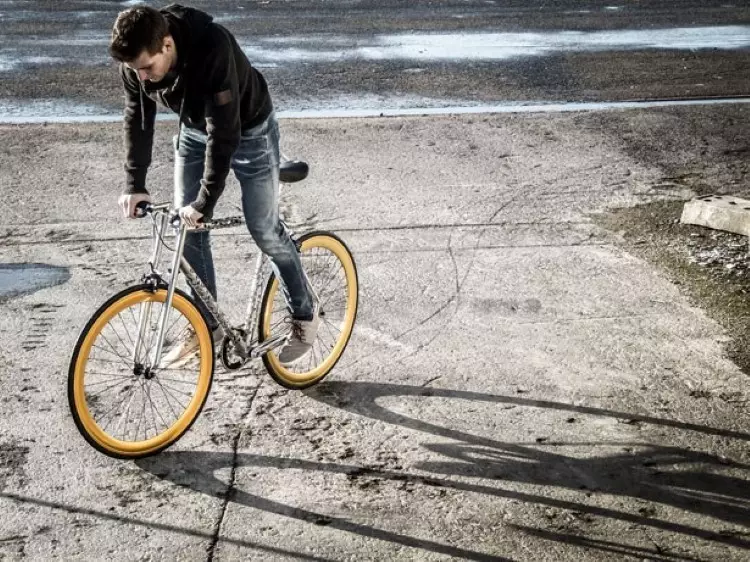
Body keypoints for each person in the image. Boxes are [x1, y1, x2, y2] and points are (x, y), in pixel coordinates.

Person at [109, 4, 319, 365]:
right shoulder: (137, 63)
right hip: (193, 132)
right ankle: (208, 327)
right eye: (133, 70)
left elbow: (224, 134)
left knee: (264, 230)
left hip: (249, 129)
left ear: (167, 45)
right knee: (186, 230)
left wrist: (204, 201)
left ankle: (304, 313)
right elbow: (137, 117)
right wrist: (134, 183)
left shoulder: (213, 47)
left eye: (146, 68)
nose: (141, 77)